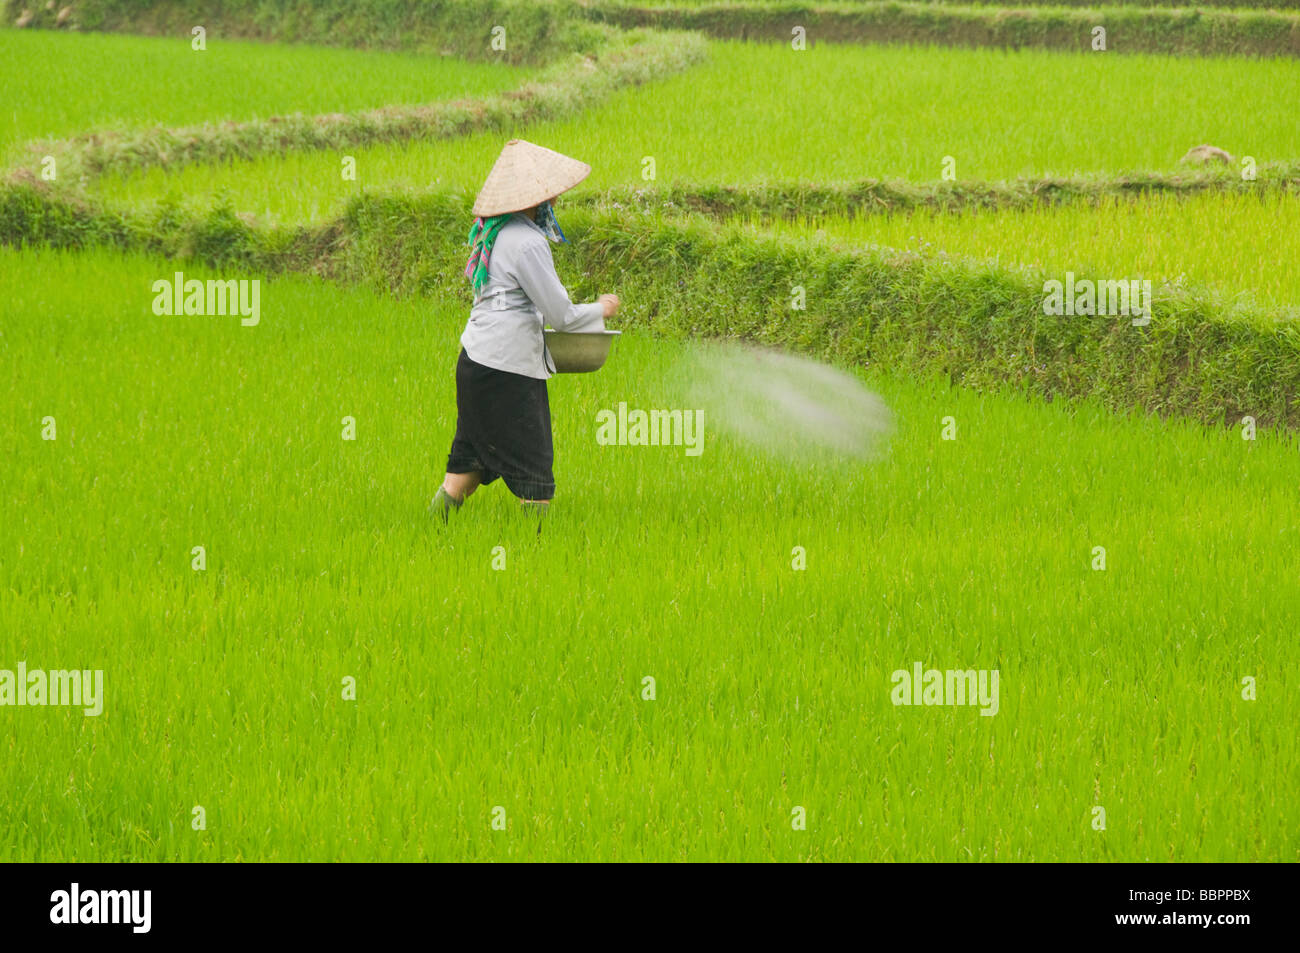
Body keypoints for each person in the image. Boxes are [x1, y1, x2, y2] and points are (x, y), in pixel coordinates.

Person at [430, 138, 620, 522]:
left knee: (465, 468)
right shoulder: (528, 242)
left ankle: (431, 532)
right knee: (535, 474)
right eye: (552, 197)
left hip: (475, 366)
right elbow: (562, 316)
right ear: (538, 199)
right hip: (507, 372)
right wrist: (602, 308)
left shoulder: (494, 232)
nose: (556, 203)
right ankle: (537, 558)